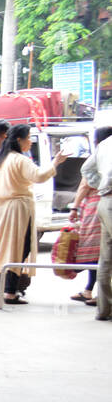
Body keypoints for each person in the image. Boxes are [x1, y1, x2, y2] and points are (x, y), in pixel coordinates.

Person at [0, 124, 65, 303]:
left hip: (0, 207)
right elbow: (39, 176)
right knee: (18, 247)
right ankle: (10, 292)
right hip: (17, 208)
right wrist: (55, 162)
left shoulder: (0, 159)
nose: (30, 142)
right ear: (19, 140)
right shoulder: (20, 159)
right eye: (28, 138)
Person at [66, 126, 111, 305]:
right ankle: (95, 294)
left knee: (103, 256)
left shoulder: (101, 152)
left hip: (99, 204)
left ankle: (100, 302)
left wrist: (75, 207)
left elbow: (85, 177)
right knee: (101, 255)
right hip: (101, 202)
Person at [78, 128, 112, 320]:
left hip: (105, 202)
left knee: (106, 260)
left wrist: (102, 185)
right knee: (106, 260)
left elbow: (86, 169)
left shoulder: (105, 144)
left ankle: (104, 310)